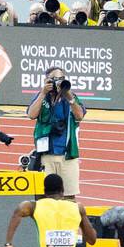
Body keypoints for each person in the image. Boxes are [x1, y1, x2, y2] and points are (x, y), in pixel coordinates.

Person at [26, 68, 85, 198]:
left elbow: (79, 115)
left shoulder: (71, 97)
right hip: (47, 154)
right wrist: (42, 93)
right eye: (55, 79)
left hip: (68, 154)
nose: (58, 82)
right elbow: (31, 114)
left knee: (69, 197)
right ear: (47, 80)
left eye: (61, 79)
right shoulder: (42, 96)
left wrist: (69, 97)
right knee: (45, 197)